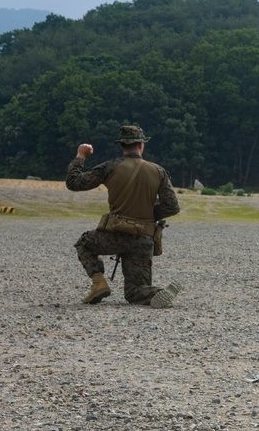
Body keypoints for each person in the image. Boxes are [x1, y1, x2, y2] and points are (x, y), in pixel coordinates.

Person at [66, 125, 183, 308]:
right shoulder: (158, 171)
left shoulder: (110, 167)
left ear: (121, 145)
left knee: (84, 243)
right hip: (143, 240)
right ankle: (159, 292)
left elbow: (74, 183)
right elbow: (172, 206)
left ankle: (99, 283)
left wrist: (81, 156)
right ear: (141, 145)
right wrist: (146, 213)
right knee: (136, 292)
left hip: (115, 235)